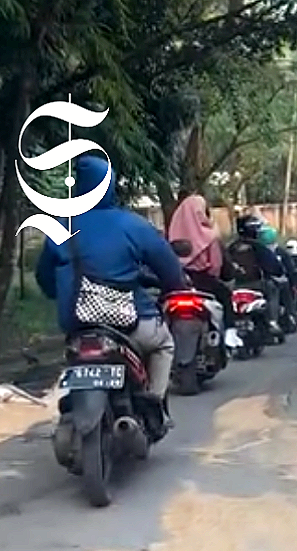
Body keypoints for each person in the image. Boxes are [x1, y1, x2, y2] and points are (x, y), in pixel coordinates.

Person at [35, 155, 186, 427]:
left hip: (77, 323)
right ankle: (155, 406)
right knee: (164, 344)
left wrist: (65, 295)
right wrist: (174, 285)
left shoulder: (59, 225)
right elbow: (169, 268)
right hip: (130, 323)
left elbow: (45, 278)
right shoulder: (132, 225)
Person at [166, 195, 243, 348]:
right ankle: (230, 333)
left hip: (177, 282)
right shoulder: (210, 237)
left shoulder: (171, 235)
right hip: (204, 281)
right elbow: (216, 266)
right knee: (226, 296)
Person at [227, 215, 285, 334]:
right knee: (273, 289)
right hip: (256, 284)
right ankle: (272, 321)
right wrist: (278, 272)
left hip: (235, 286)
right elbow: (273, 266)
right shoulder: (258, 247)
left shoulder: (231, 247)